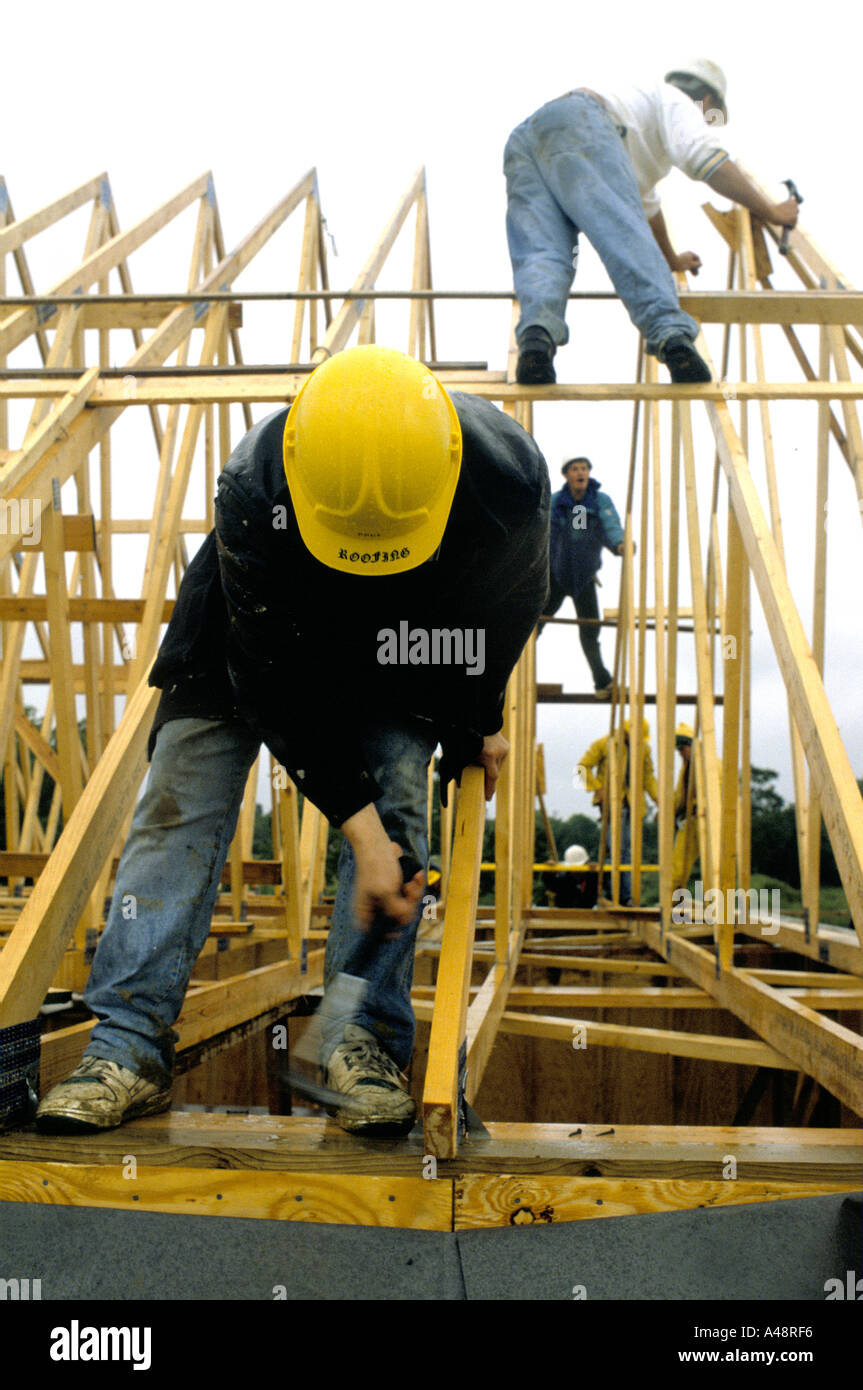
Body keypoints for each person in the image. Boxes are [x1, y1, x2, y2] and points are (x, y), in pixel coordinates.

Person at [35, 346, 550, 1139]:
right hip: (252, 635)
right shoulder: (254, 484)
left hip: (406, 640)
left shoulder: (506, 479)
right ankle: (126, 1047)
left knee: (402, 796)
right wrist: (360, 833)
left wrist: (473, 718)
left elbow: (501, 613)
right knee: (180, 798)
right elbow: (271, 686)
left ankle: (361, 1041)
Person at [504, 59, 800, 385]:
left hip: (526, 139)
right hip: (584, 120)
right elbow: (707, 160)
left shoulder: (639, 125)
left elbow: (647, 208)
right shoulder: (677, 101)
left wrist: (671, 258)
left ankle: (536, 339)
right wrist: (772, 210)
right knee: (624, 236)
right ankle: (672, 337)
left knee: (542, 252)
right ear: (707, 101)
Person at [541, 455, 625, 697]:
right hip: (556, 575)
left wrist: (619, 544)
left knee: (590, 631)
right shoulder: (557, 502)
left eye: (584, 468)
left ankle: (602, 682)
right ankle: (508, 675)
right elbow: (545, 535)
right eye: (575, 469)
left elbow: (611, 526)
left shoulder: (598, 501)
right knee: (533, 625)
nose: (581, 473)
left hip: (584, 577)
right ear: (566, 475)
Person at [578, 719, 658, 905]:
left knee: (628, 849)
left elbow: (648, 775)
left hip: (632, 804)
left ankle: (626, 895)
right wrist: (597, 789)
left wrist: (656, 797)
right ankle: (619, 895)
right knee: (617, 848)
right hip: (611, 802)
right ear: (625, 732)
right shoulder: (605, 744)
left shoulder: (643, 748)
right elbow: (581, 769)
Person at [672, 723, 699, 891]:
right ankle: (673, 900)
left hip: (709, 821)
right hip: (691, 820)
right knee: (678, 863)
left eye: (682, 749)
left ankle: (717, 904)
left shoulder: (710, 764)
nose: (681, 753)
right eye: (679, 750)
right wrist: (669, 811)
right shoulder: (686, 768)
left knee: (715, 864)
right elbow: (680, 796)